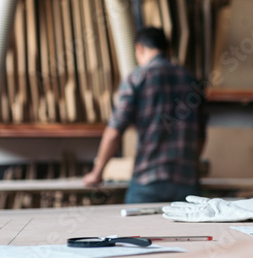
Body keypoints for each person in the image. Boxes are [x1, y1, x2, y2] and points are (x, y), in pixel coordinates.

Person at [83, 27, 206, 203]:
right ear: (168, 50)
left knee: (138, 230)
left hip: (148, 180)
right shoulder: (192, 80)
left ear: (139, 48)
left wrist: (97, 173)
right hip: (187, 182)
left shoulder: (137, 78)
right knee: (191, 231)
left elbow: (114, 132)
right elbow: (201, 136)